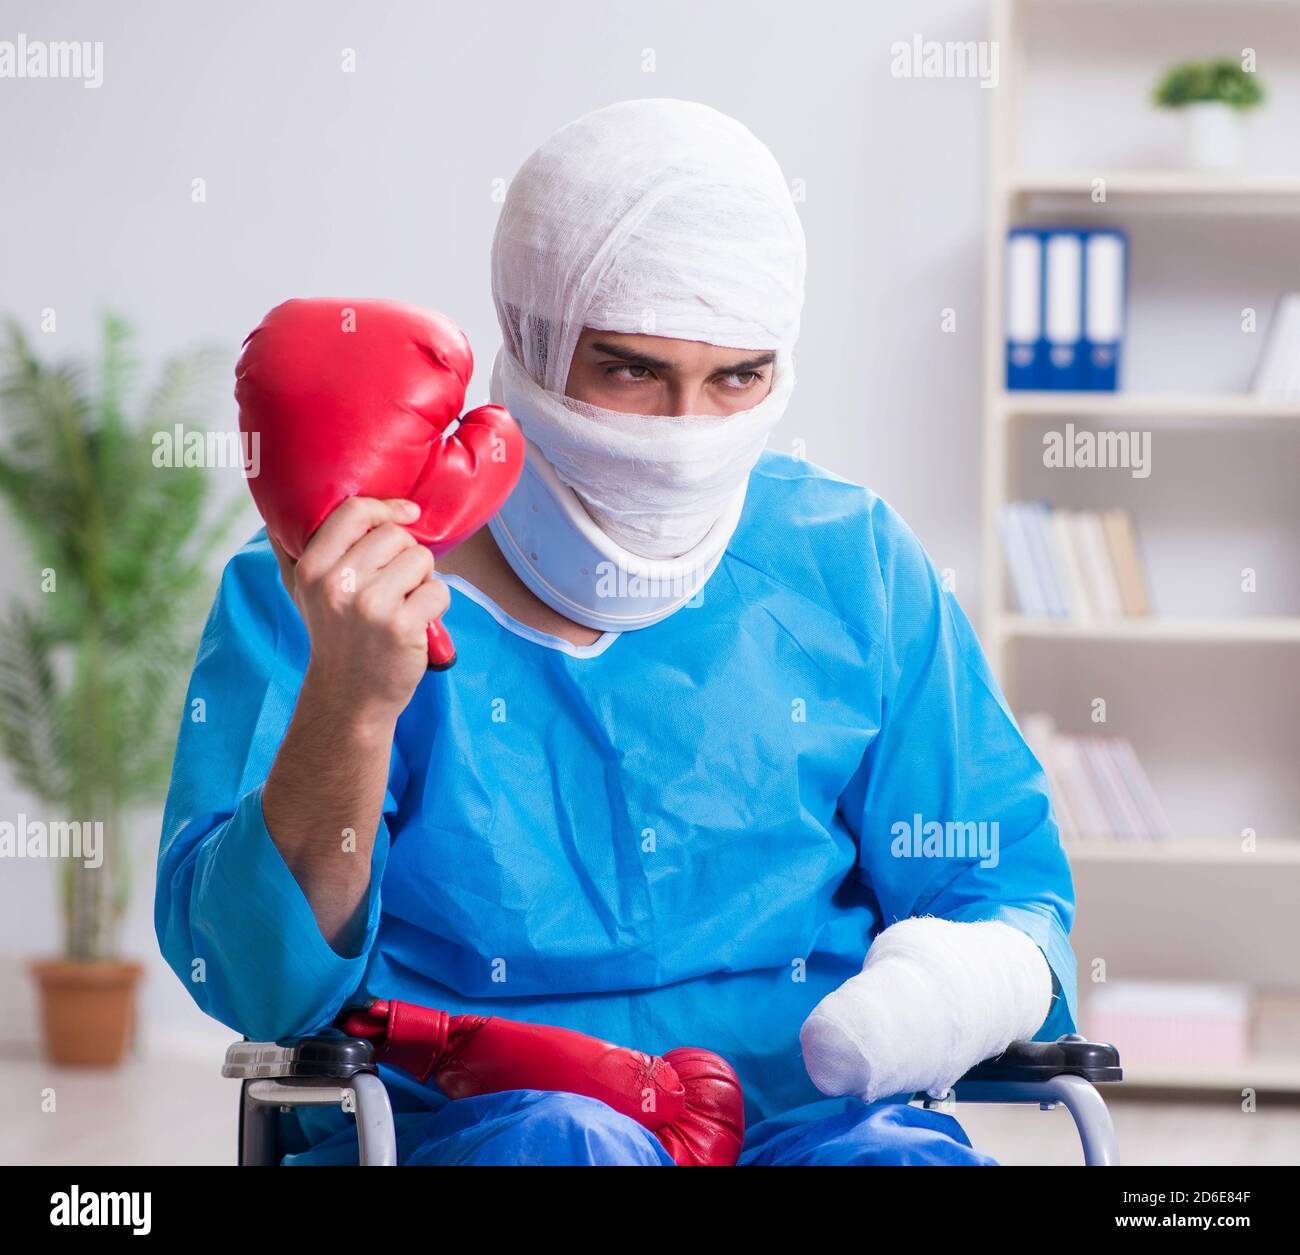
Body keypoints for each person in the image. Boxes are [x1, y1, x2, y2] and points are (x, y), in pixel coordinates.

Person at [156, 99, 1075, 1166]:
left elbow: (998, 882)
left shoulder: (849, 562)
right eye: (631, 370)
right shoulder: (329, 586)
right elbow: (255, 981)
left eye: (737, 377)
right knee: (565, 1143)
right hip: (466, 1130)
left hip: (810, 1119)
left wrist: (934, 999)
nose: (687, 435)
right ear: (534, 342)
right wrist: (352, 708)